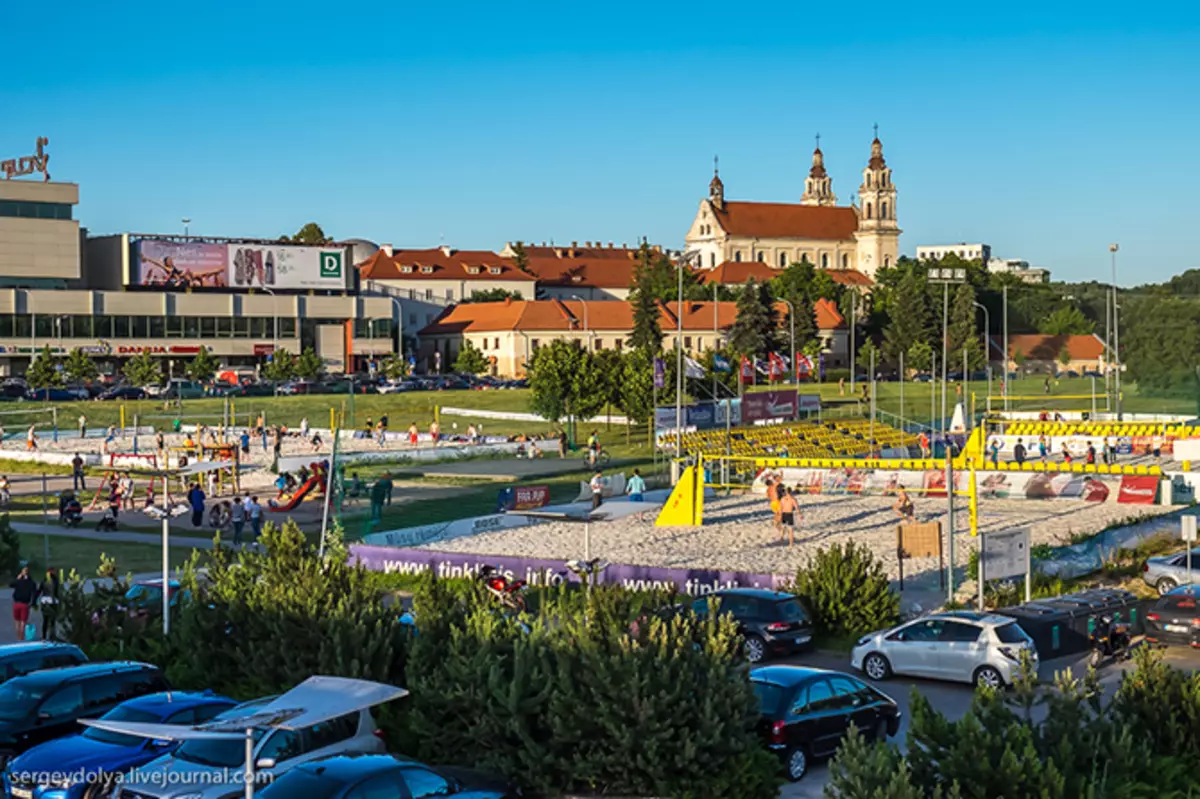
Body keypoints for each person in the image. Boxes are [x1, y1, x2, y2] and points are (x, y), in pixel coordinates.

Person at [10, 567, 37, 639]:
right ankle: (22, 636)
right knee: (23, 621)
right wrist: (33, 603)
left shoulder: (18, 582)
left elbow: (11, 584)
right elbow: (34, 594)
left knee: (17, 621)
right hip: (25, 604)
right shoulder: (32, 583)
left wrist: (17, 578)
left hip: (16, 603)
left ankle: (18, 636)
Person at [38, 568, 60, 640]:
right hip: (53, 601)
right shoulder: (55, 580)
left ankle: (44, 637)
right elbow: (57, 591)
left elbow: (39, 590)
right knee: (52, 621)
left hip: (45, 601)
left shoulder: (44, 580)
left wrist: (34, 600)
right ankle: (52, 636)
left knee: (45, 620)